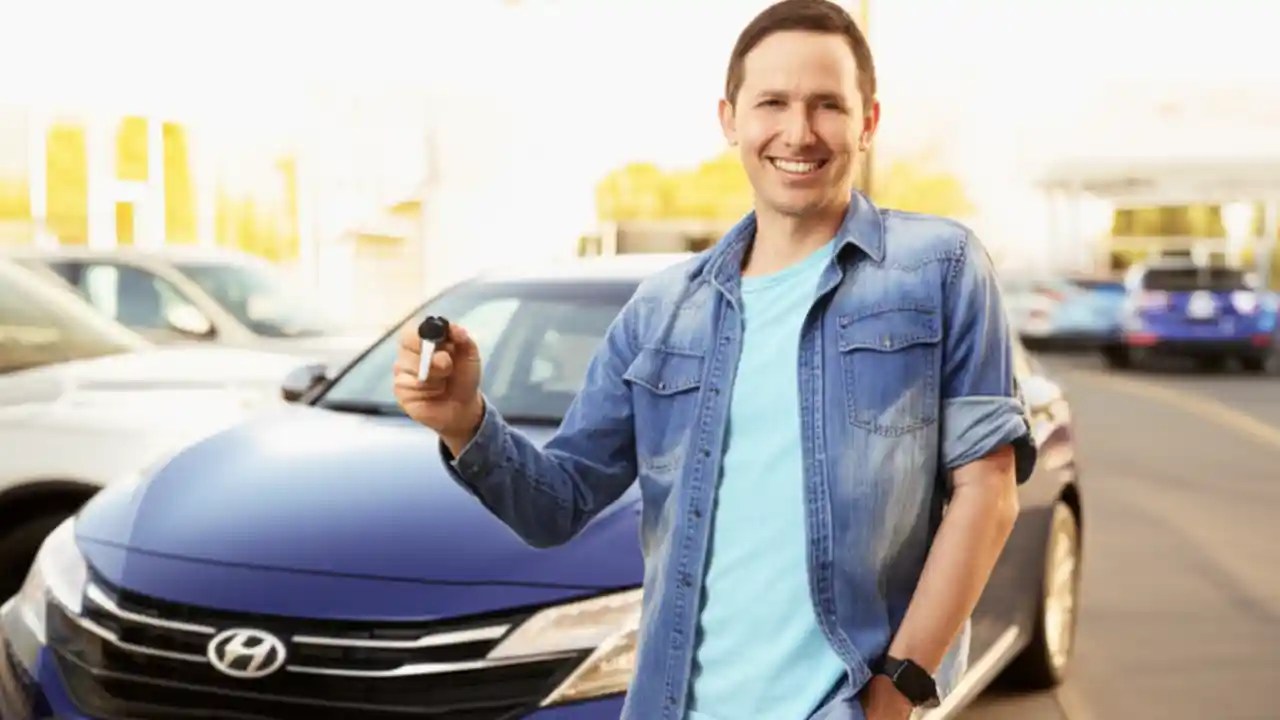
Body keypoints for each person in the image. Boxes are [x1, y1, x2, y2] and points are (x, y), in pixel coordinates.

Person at [393, 1, 1035, 718]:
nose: (799, 131)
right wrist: (464, 424)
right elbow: (559, 505)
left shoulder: (939, 267)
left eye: (828, 105)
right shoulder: (663, 309)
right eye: (773, 103)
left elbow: (988, 493)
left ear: (869, 122)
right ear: (730, 119)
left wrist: (896, 692)